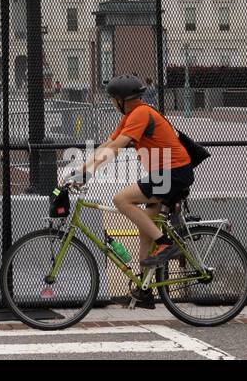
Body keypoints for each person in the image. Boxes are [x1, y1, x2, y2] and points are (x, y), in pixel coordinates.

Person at [69, 74, 194, 308]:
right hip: (165, 173)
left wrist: (88, 173)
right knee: (145, 226)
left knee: (121, 199)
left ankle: (167, 244)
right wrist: (81, 170)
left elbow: (116, 148)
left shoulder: (140, 114)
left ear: (120, 100)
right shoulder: (132, 115)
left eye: (112, 100)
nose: (112, 104)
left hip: (173, 173)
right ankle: (144, 289)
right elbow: (107, 144)